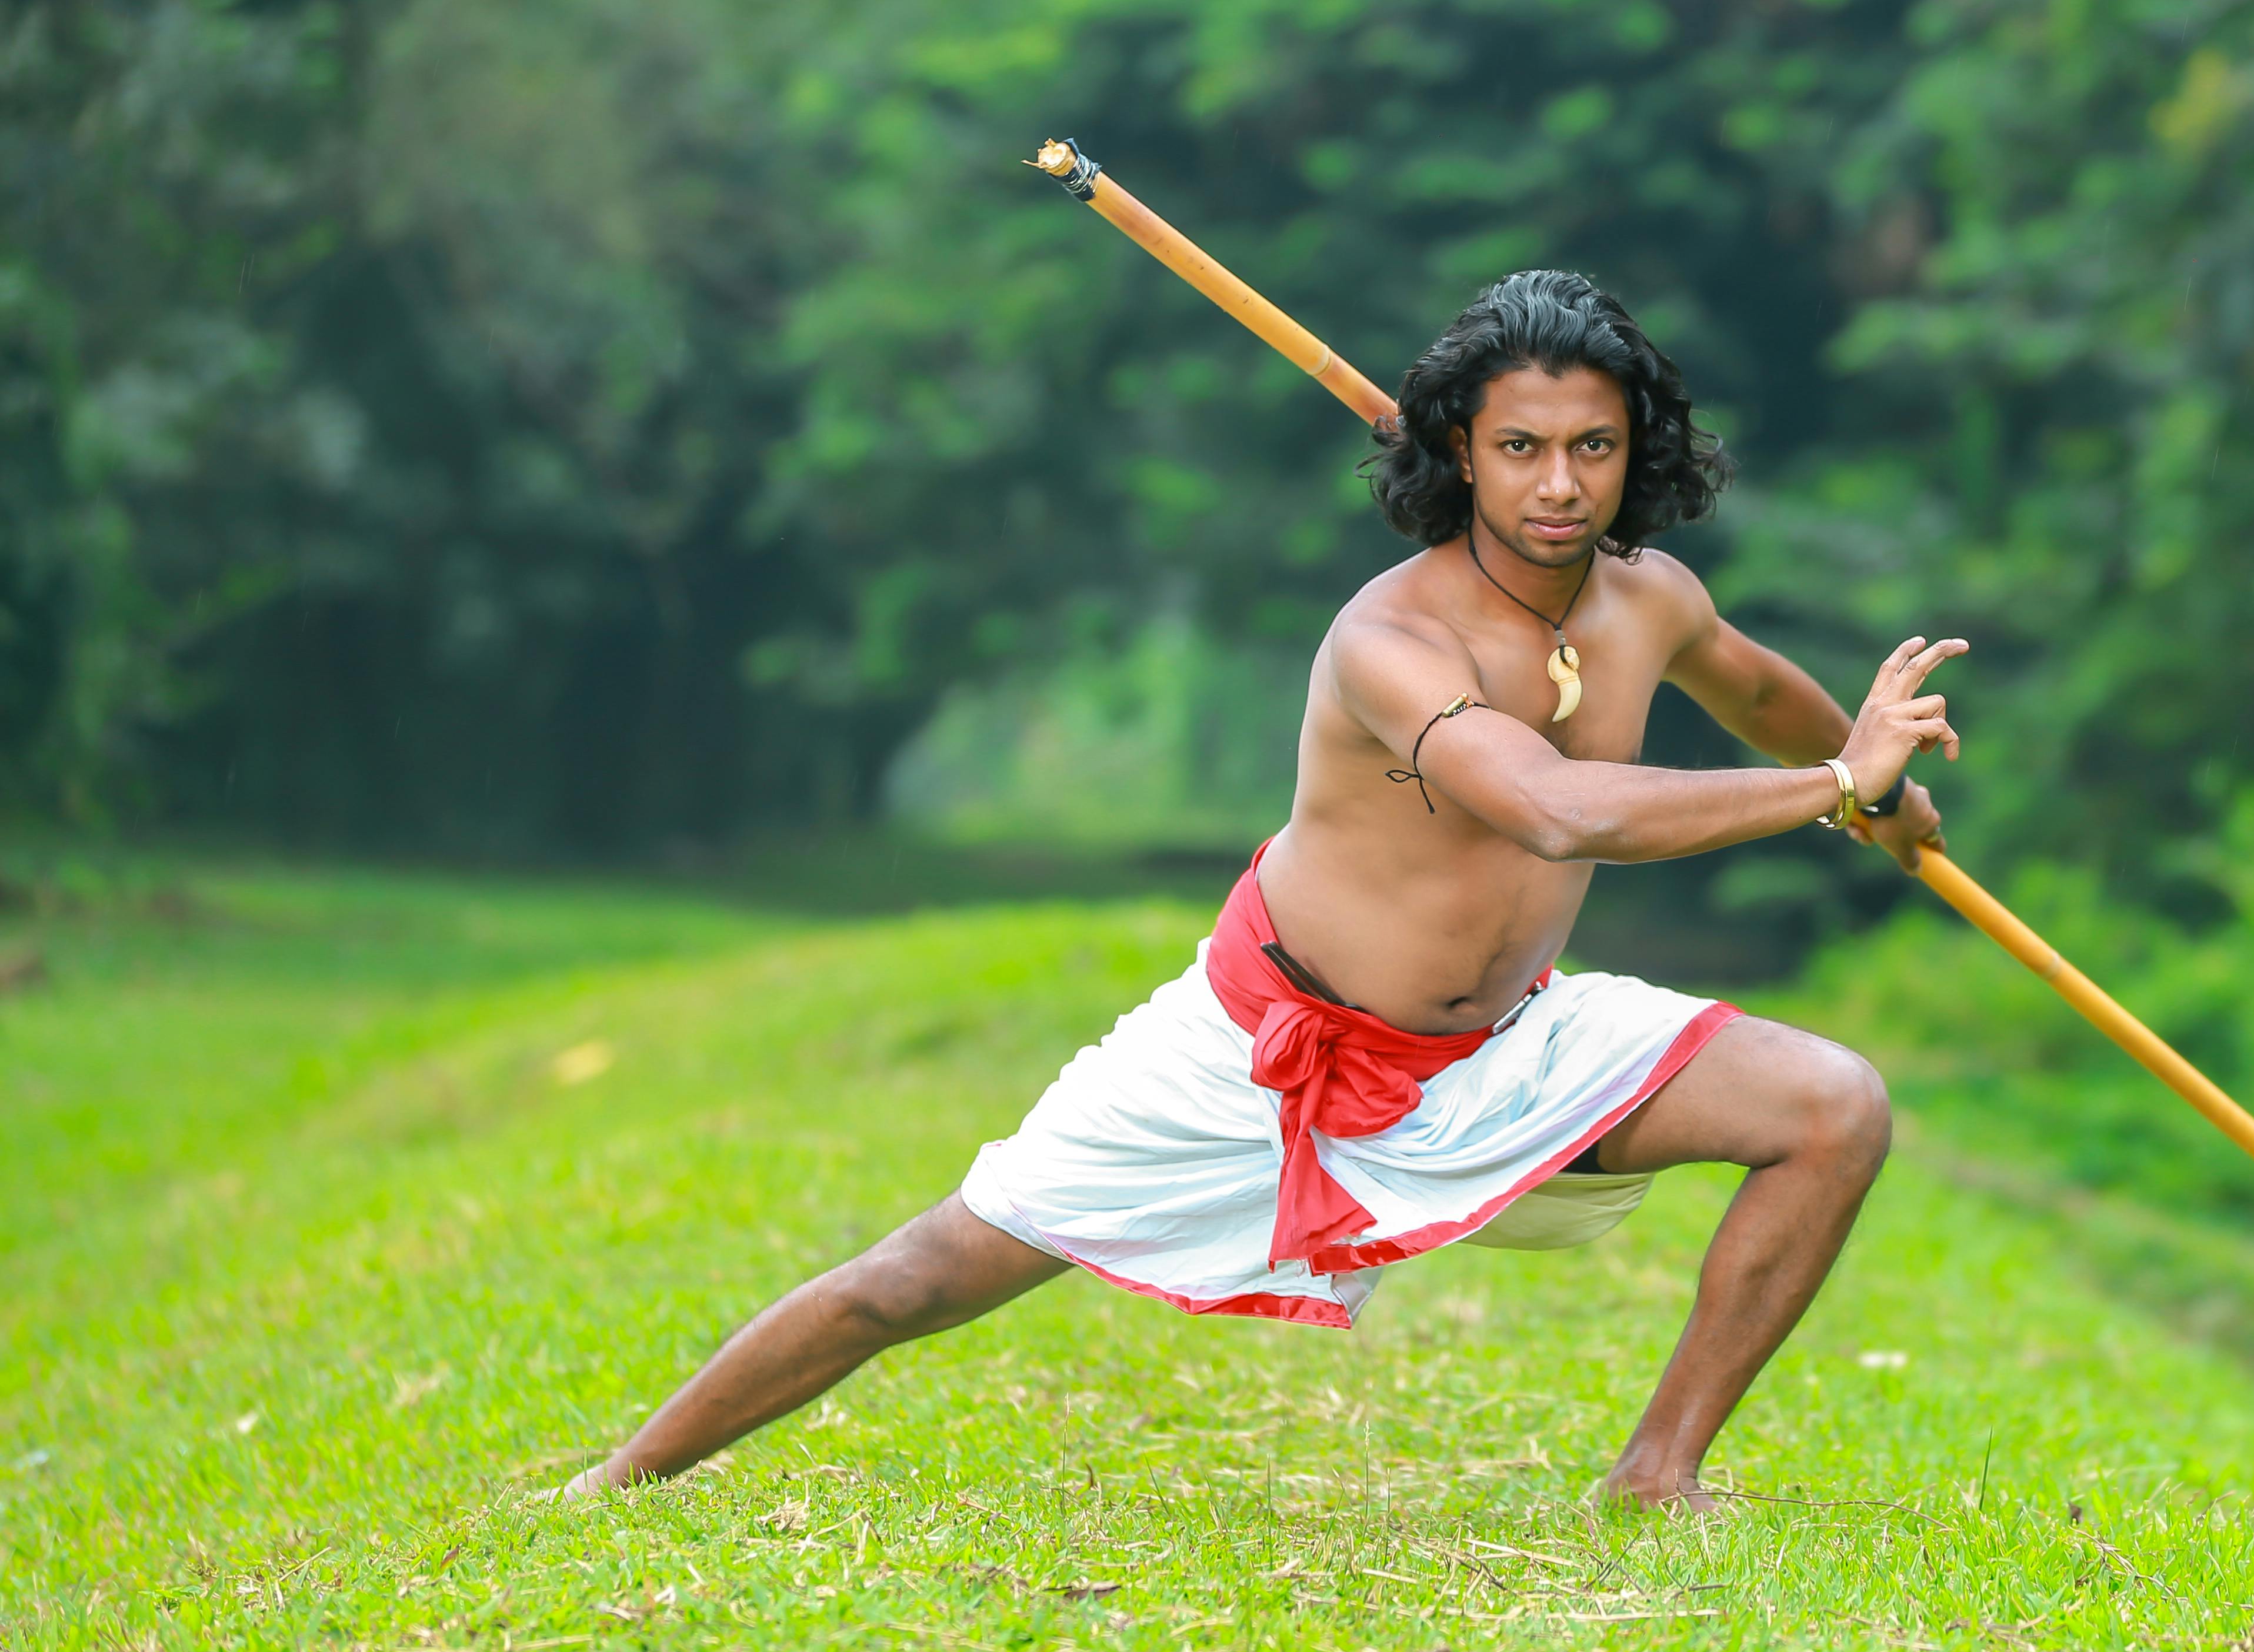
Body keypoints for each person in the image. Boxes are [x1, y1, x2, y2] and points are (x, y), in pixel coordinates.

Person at [556, 269, 1965, 1511]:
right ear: (1461, 455)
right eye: (1520, 448)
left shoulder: (1650, 596)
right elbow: (1553, 812)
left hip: (1502, 1048)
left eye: (1593, 448)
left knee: (1833, 1105)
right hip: (1263, 1049)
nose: (1558, 487)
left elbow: (1769, 696)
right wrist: (1835, 788)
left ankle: (1657, 1475)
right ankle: (613, 1482)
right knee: (914, 1280)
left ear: (1634, 450)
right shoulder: (1391, 637)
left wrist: (1880, 790)